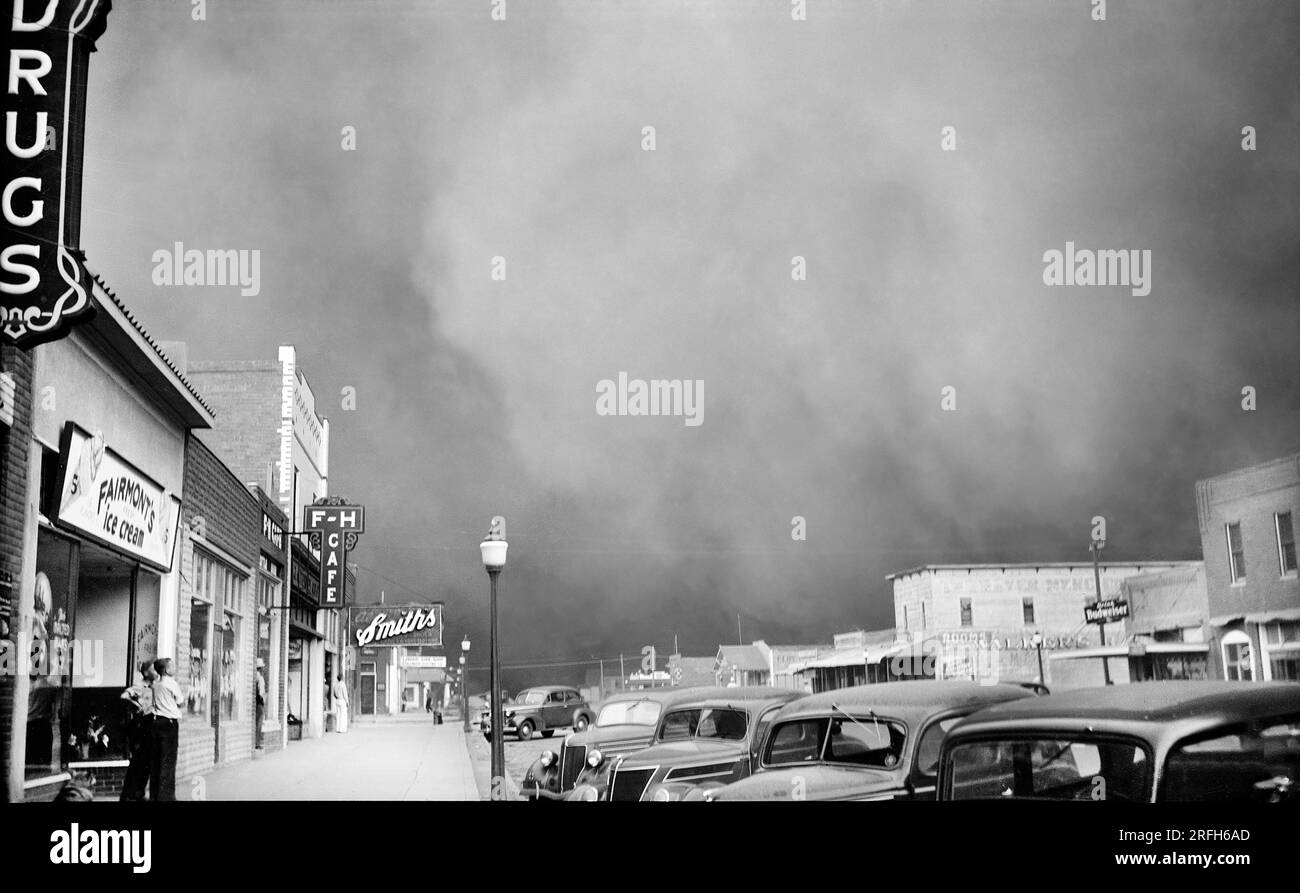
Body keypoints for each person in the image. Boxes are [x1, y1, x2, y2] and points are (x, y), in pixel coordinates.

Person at [119, 660, 156, 801]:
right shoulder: (139, 686)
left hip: (148, 727)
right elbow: (124, 696)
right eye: (153, 669)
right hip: (139, 728)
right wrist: (136, 705)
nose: (156, 672)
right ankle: (129, 794)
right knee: (138, 762)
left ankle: (138, 793)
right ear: (146, 672)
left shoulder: (154, 686)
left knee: (146, 762)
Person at [149, 657, 183, 801]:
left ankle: (155, 796)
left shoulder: (156, 685)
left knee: (157, 761)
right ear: (167, 670)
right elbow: (180, 701)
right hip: (169, 724)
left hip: (156, 723)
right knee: (168, 762)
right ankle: (167, 797)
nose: (175, 668)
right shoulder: (172, 684)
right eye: (172, 666)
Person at [254, 659, 267, 749]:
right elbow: (261, 693)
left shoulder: (254, 676)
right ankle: (257, 743)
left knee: (256, 723)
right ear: (261, 668)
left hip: (255, 703)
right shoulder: (260, 678)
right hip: (259, 703)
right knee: (259, 723)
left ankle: (255, 742)